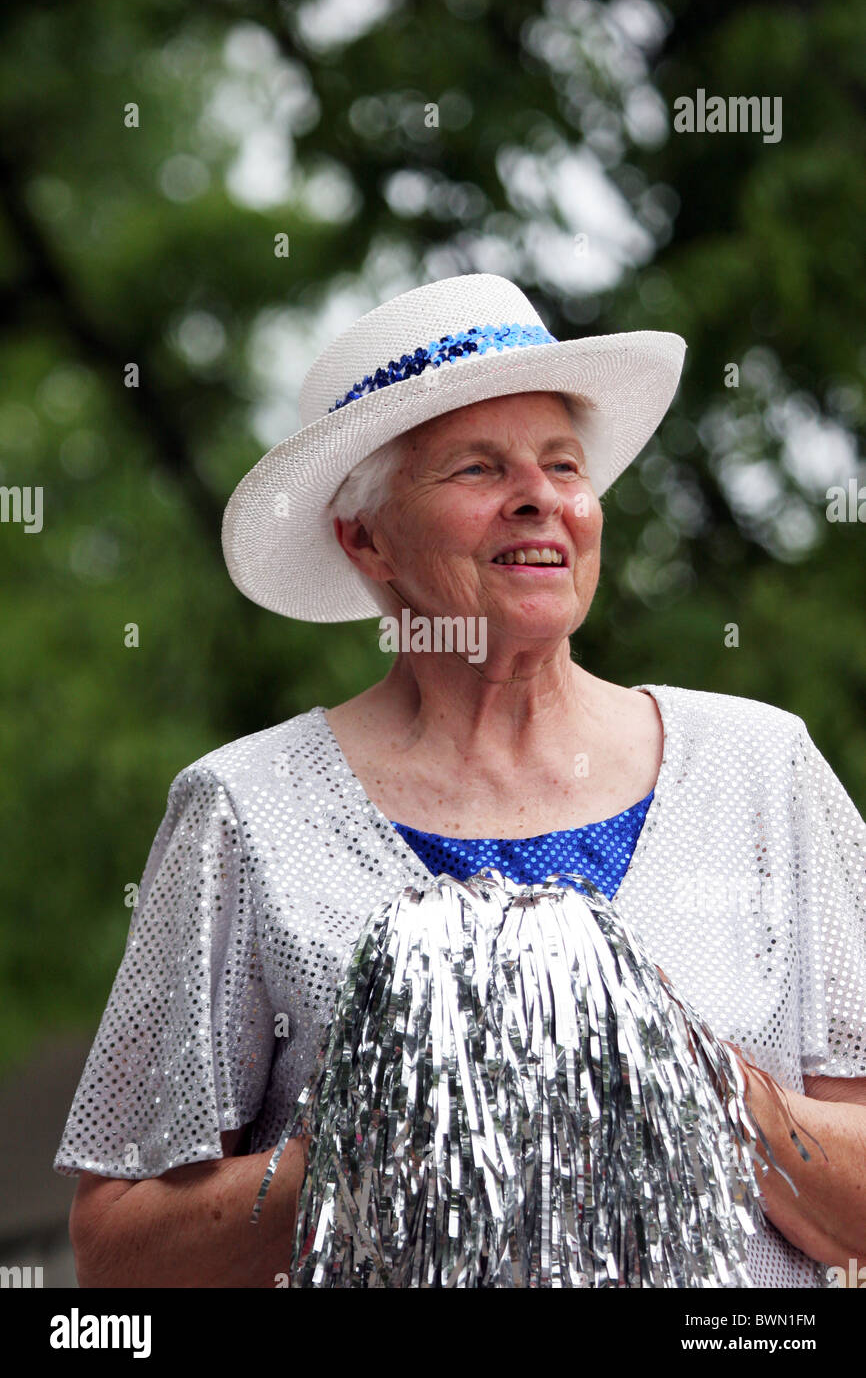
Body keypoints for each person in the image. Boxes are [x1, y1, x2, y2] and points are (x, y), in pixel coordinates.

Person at [54, 273, 866, 1288]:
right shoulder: (245, 810)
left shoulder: (758, 771)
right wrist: (363, 1157)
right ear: (364, 537)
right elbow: (119, 1254)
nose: (540, 497)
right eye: (477, 468)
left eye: (561, 464)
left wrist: (707, 1085)